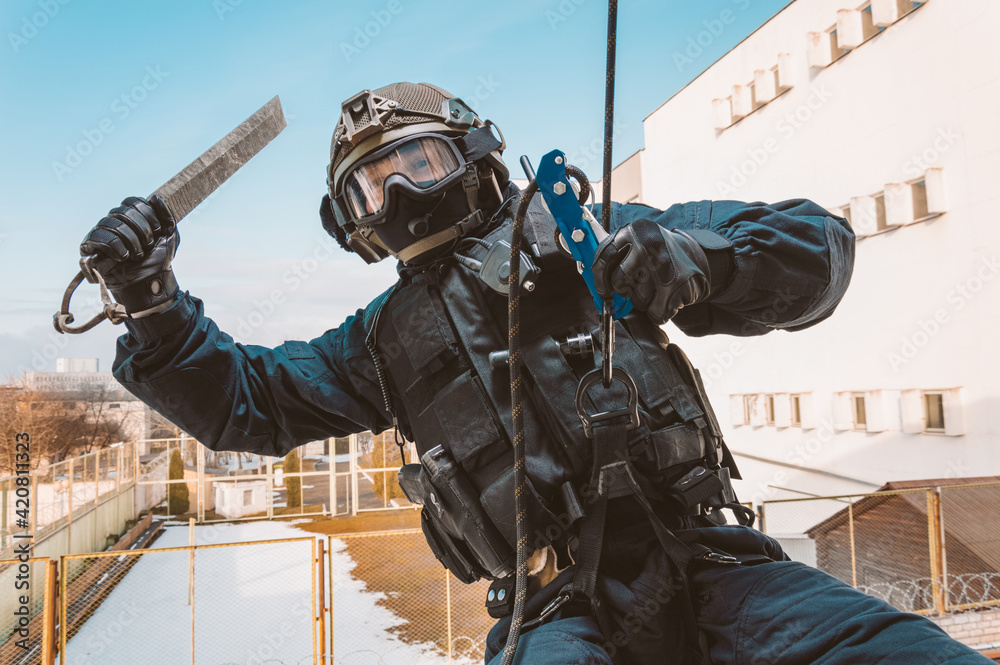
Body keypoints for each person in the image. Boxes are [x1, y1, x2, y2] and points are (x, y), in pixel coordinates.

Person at [82, 82, 990, 664]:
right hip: (550, 610)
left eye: (418, 161)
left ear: (473, 155)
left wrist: (698, 261)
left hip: (719, 565)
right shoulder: (376, 343)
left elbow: (817, 247)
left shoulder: (589, 235)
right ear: (349, 221)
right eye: (370, 186)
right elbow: (247, 401)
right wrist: (153, 303)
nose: (397, 194)